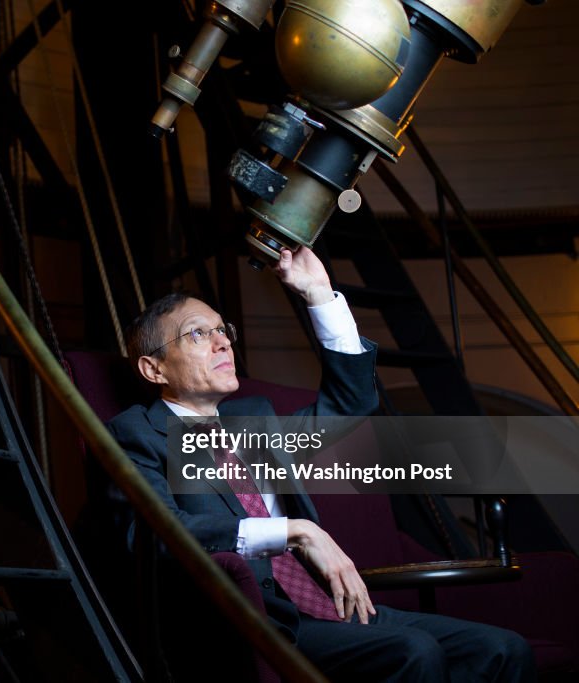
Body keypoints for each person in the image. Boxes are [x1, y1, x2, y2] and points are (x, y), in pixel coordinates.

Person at [106, 247, 535, 681]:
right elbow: (153, 535)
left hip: (329, 604)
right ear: (154, 369)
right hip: (252, 625)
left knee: (503, 649)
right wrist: (296, 531)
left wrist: (319, 294)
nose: (223, 342)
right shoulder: (137, 433)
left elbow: (348, 404)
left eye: (222, 329)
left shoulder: (254, 421)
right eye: (198, 334)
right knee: (414, 652)